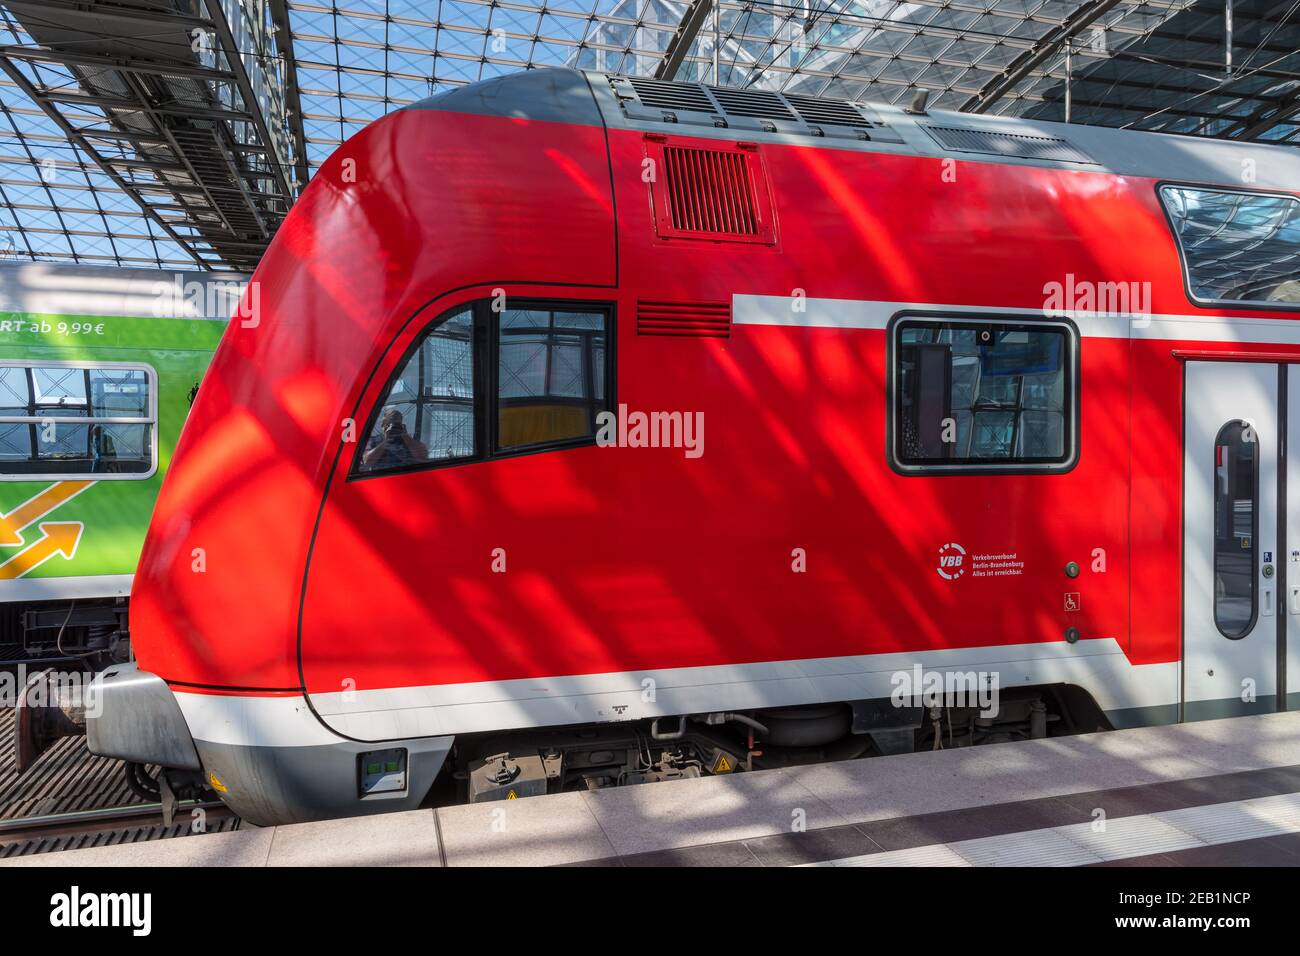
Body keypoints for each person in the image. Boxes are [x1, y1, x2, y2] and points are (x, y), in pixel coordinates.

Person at [362, 409, 428, 469]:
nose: (394, 428)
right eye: (388, 424)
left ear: (402, 425)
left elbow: (422, 456)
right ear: (382, 425)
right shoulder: (374, 441)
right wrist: (385, 442)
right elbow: (366, 461)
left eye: (397, 424)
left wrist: (405, 436)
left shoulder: (409, 440)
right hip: (382, 477)